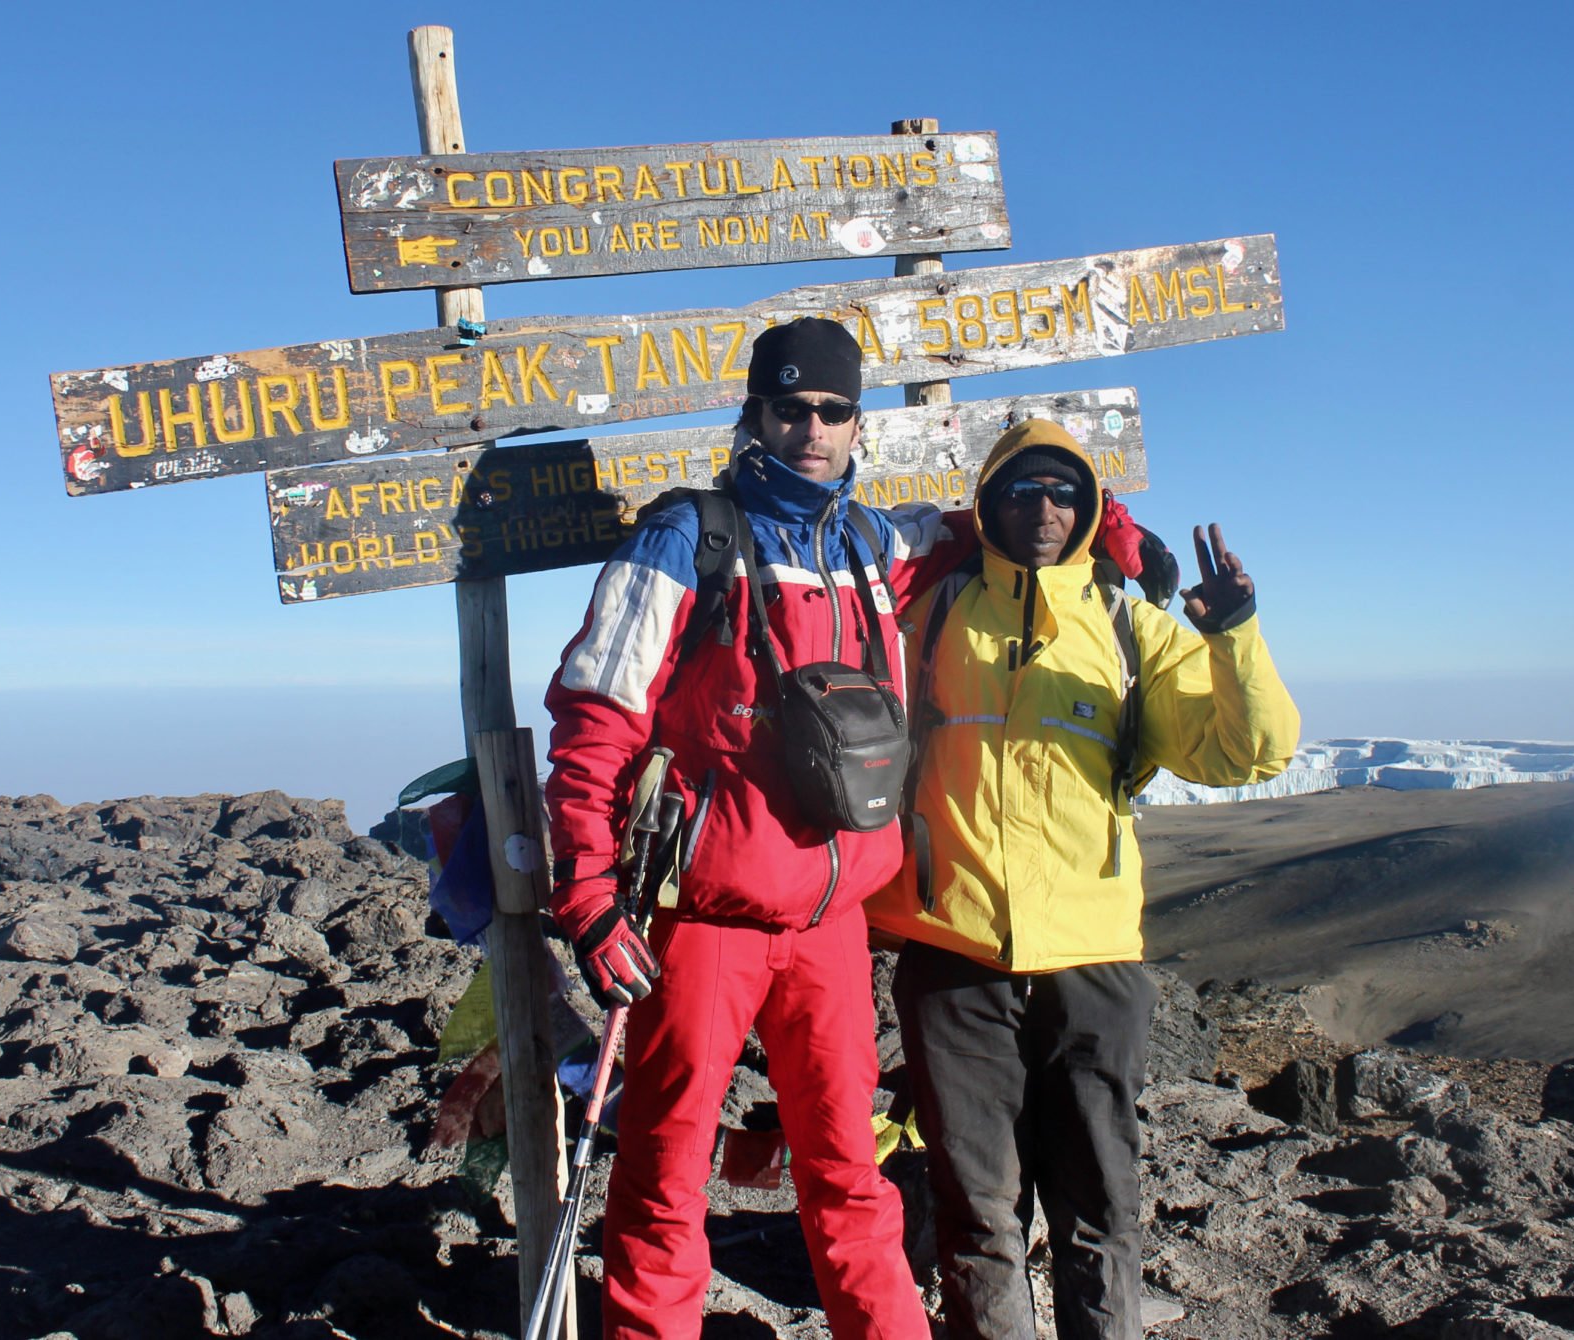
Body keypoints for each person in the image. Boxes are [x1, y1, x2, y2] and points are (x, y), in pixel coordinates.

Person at [542, 317, 956, 1340]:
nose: (811, 429)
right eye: (789, 408)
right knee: (664, 1174)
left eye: (832, 410)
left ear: (857, 422)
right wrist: (589, 894)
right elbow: (597, 719)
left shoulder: (871, 546)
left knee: (850, 1172)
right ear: (755, 414)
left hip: (832, 924)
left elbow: (1001, 521)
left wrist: (1103, 523)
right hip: (703, 923)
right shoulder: (687, 538)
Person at [867, 418, 1301, 1340]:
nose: (1045, 509)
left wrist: (1231, 636)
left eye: (1065, 492)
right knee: (977, 1210)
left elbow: (1247, 753)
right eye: (1023, 491)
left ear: (1091, 509)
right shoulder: (931, 618)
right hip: (956, 954)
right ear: (989, 505)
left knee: (1100, 1202)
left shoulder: (1128, 628)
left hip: (1093, 961)